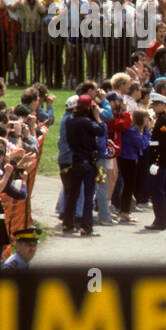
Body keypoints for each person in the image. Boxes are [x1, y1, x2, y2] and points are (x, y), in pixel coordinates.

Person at [61, 94, 103, 237]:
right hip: (87, 162)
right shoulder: (86, 122)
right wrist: (97, 117)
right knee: (88, 195)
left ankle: (68, 223)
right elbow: (101, 130)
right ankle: (86, 226)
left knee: (73, 194)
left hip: (76, 160)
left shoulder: (70, 121)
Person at [145, 92, 166, 230]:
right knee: (165, 190)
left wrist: (155, 162)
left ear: (162, 105)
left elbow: (161, 143)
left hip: (160, 160)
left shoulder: (164, 121)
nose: (154, 108)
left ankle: (160, 220)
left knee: (158, 190)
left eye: (156, 105)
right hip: (161, 160)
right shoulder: (160, 120)